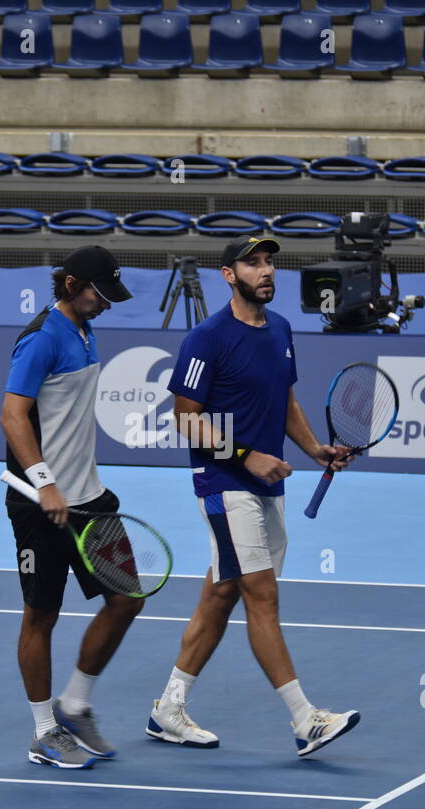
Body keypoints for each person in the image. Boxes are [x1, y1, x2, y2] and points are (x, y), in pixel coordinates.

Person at [146, 236, 361, 757]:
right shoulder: (207, 338)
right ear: (228, 274)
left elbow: (284, 399)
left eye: (269, 262)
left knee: (222, 594)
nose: (266, 271)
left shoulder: (281, 330)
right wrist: (246, 456)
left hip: (269, 483)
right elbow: (185, 419)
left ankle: (167, 710)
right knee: (261, 597)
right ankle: (306, 719)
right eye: (253, 263)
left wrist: (314, 449)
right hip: (224, 484)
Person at [0, 246, 142, 769]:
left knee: (127, 599)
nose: (106, 304)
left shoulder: (85, 330)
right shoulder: (39, 338)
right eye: (99, 294)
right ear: (71, 284)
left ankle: (75, 704)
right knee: (42, 615)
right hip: (40, 505)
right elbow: (12, 417)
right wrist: (45, 484)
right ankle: (43, 731)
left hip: (89, 498)